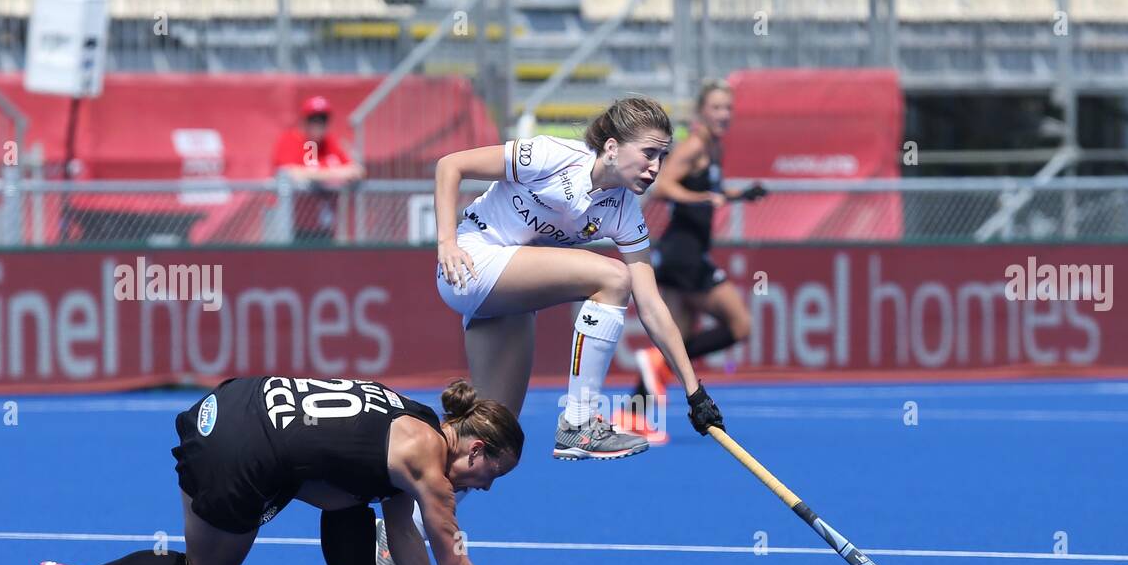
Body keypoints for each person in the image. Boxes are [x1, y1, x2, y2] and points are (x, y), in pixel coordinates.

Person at [35, 377, 520, 565]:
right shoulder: (429, 467)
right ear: (476, 449)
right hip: (240, 454)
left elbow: (400, 531)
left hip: (225, 406)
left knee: (347, 497)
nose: (485, 486)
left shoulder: (410, 417)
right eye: (491, 474)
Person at [432, 95, 726, 461]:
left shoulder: (625, 213)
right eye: (649, 153)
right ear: (613, 147)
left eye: (662, 157)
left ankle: (412, 515)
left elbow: (652, 307)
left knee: (494, 442)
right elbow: (450, 165)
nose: (655, 167)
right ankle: (579, 422)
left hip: (508, 298)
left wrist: (693, 390)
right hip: (470, 264)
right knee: (614, 276)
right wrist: (447, 241)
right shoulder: (552, 156)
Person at [614, 79, 766, 445]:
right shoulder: (696, 145)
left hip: (686, 251)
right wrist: (702, 198)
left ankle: (632, 414)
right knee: (740, 324)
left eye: (728, 109)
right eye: (716, 108)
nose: (723, 115)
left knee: (675, 335)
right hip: (685, 253)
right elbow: (664, 185)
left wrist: (737, 195)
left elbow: (707, 191)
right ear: (701, 112)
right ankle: (660, 365)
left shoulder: (713, 148)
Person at [270, 95, 365, 243]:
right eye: (313, 119)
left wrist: (323, 174)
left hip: (324, 227)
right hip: (291, 227)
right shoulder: (290, 140)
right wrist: (332, 174)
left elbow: (356, 170)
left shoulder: (329, 142)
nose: (318, 125)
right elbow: (288, 172)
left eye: (322, 120)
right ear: (304, 120)